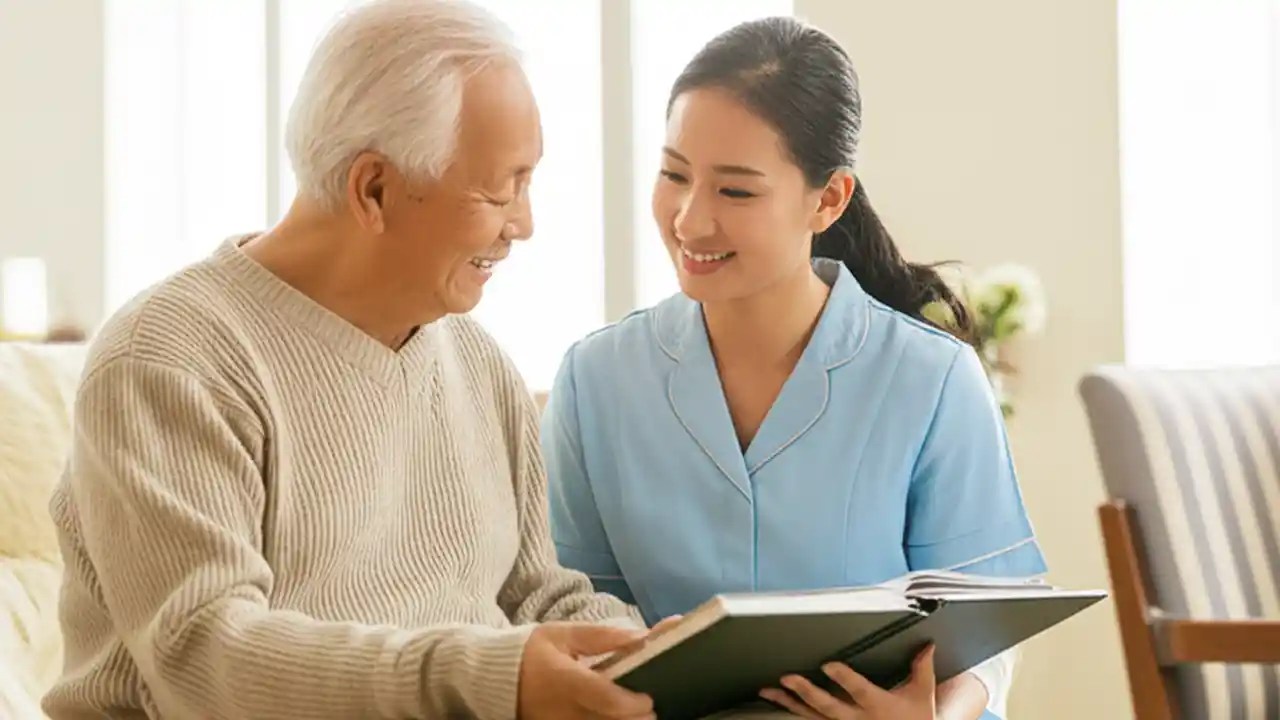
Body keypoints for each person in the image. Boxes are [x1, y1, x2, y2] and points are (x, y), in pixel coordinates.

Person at [43, 2, 663, 719]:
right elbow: (204, 656)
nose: (523, 225)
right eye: (499, 191)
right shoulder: (169, 360)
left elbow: (532, 596)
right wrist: (487, 676)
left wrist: (649, 654)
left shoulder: (476, 360)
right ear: (373, 189)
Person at [543, 16, 1047, 720]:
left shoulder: (931, 381)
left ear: (829, 198)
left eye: (736, 191)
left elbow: (985, 631)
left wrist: (934, 718)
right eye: (673, 175)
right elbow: (567, 606)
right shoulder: (593, 380)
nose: (689, 221)